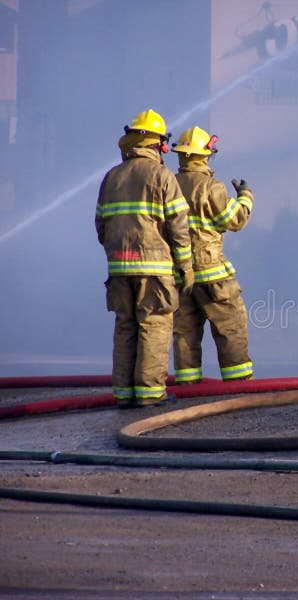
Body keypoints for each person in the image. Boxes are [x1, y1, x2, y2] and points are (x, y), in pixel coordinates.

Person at [95, 109, 193, 407]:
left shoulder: (112, 177)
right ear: (159, 144)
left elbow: (101, 224)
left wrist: (117, 253)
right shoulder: (162, 176)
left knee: (125, 327)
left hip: (118, 269)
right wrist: (185, 266)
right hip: (154, 270)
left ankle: (123, 394)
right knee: (154, 325)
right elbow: (178, 226)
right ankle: (150, 394)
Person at [170, 126, 254, 384]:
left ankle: (187, 387)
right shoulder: (211, 187)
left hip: (180, 276)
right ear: (204, 155)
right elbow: (235, 220)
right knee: (230, 329)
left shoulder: (168, 184)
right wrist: (245, 197)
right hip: (213, 275)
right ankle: (239, 388)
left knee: (185, 334)